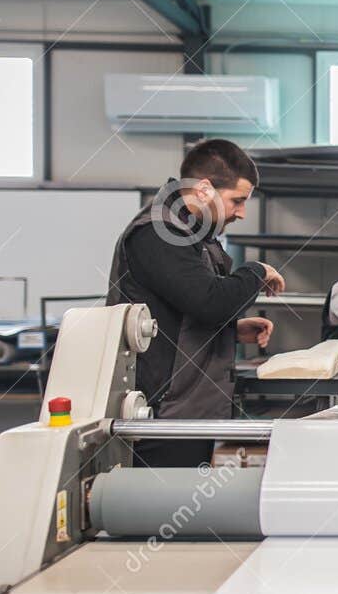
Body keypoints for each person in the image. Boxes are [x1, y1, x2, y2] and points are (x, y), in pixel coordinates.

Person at [106, 138, 285, 467]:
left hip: (186, 406)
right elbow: (210, 302)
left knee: (182, 493)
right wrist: (257, 271)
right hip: (160, 411)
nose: (242, 213)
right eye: (237, 201)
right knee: (160, 497)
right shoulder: (159, 233)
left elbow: (183, 310)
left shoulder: (191, 232)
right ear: (204, 190)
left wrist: (231, 330)